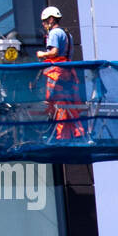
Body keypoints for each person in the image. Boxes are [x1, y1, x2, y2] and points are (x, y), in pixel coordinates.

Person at [36, 7, 83, 139]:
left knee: (55, 103)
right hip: (68, 72)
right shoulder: (68, 34)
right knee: (68, 103)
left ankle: (61, 135)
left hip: (56, 73)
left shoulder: (54, 33)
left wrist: (42, 54)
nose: (44, 24)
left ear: (51, 19)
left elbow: (54, 52)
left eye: (45, 21)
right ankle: (76, 132)